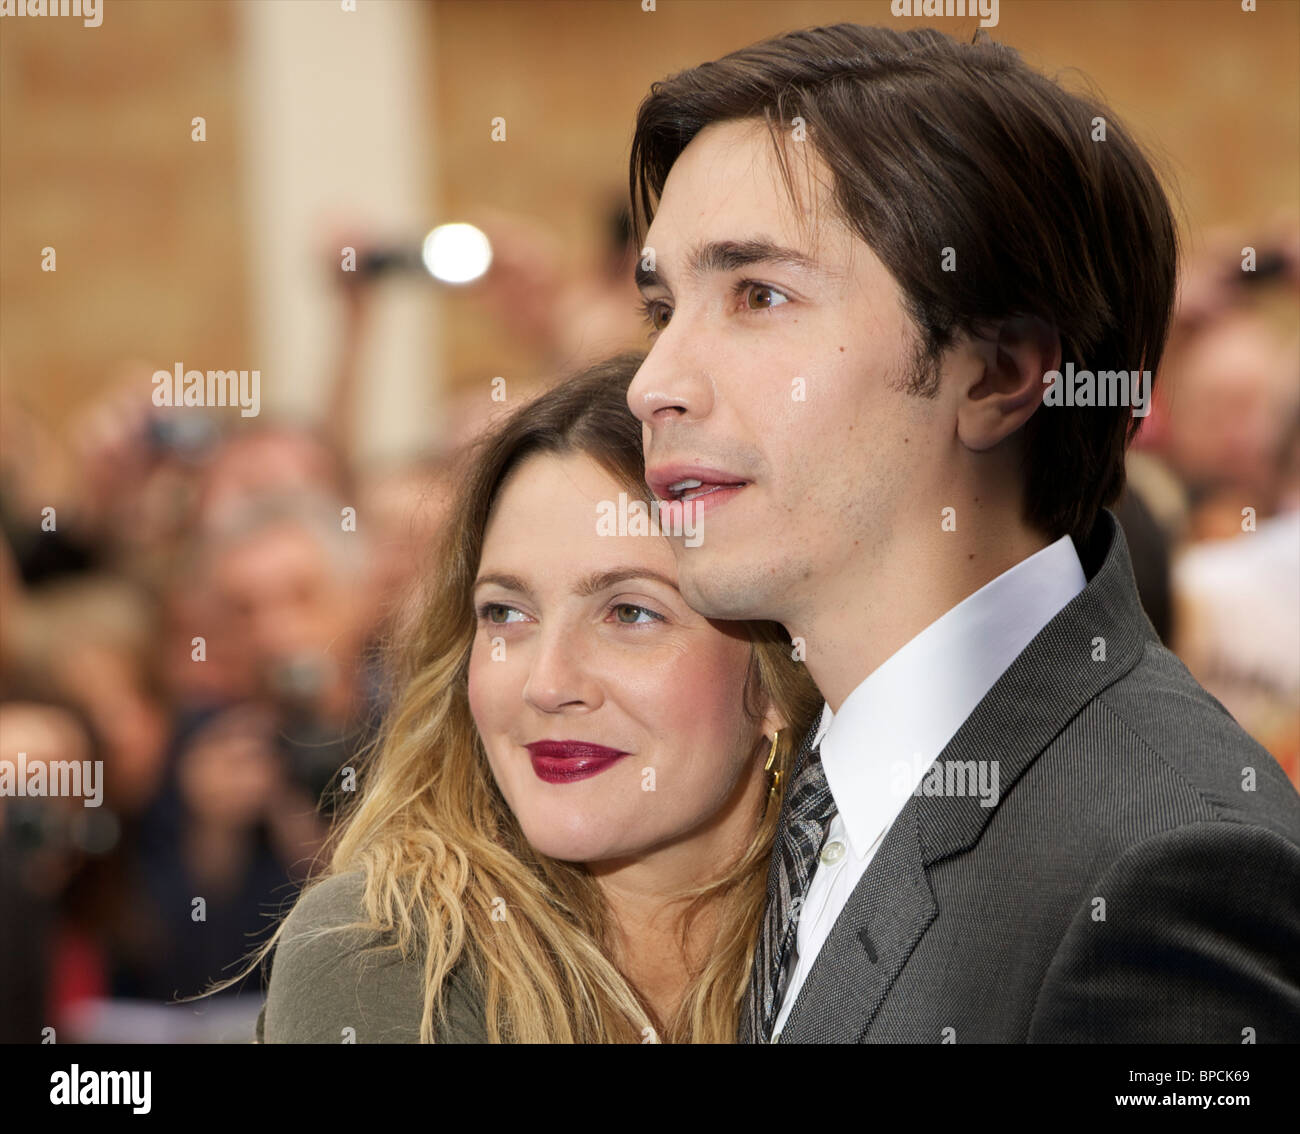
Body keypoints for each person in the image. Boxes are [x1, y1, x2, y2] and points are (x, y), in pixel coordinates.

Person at [624, 23, 1300, 1042]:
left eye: (757, 295)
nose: (652, 384)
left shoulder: (1164, 866)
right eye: (663, 308)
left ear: (998, 372)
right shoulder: (736, 796)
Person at [242, 353, 821, 1042]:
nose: (547, 684)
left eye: (630, 613)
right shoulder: (383, 950)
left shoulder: (882, 923)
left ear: (780, 672)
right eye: (506, 614)